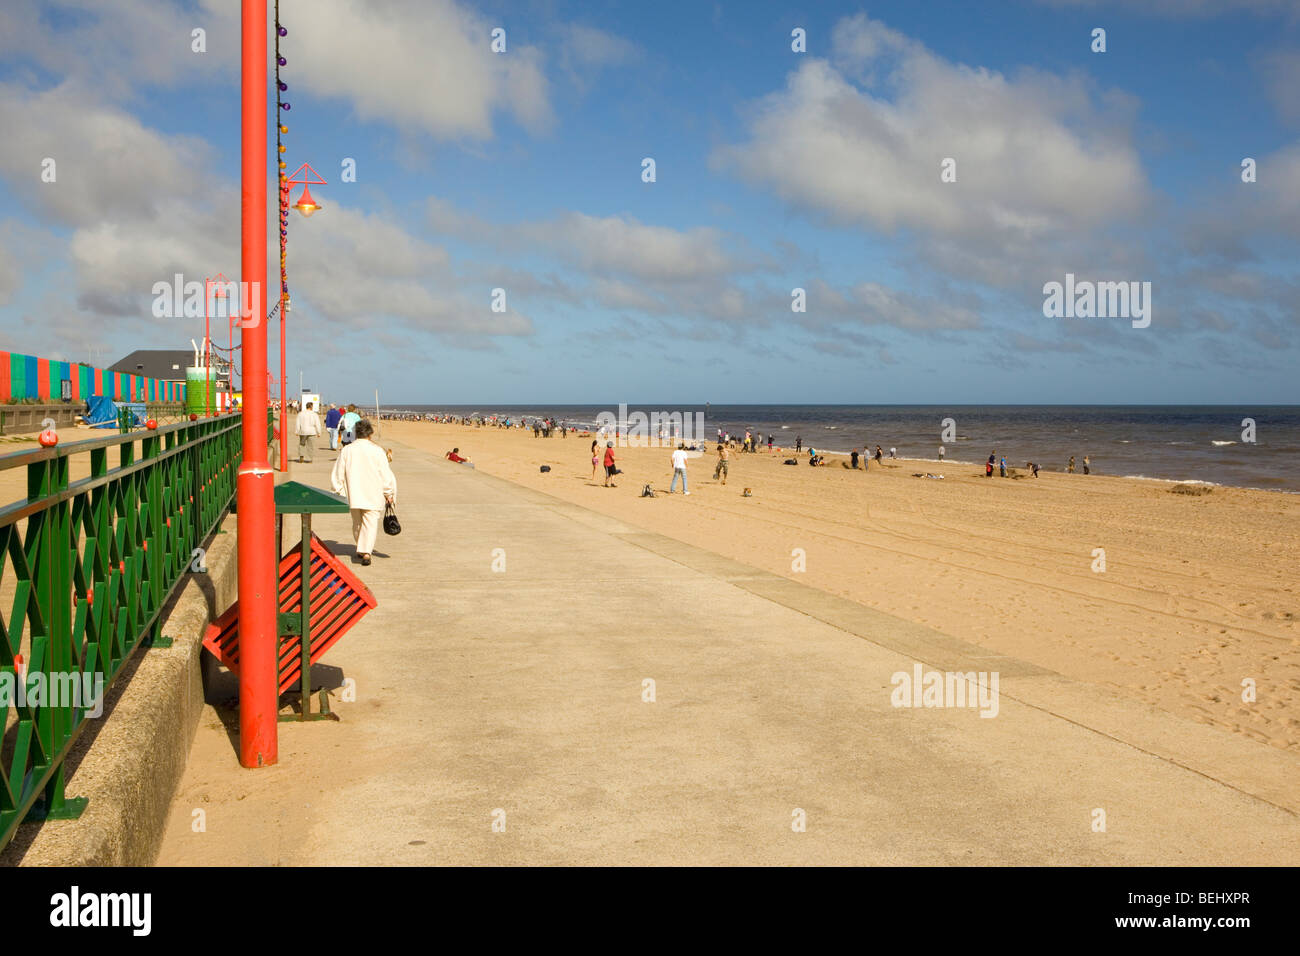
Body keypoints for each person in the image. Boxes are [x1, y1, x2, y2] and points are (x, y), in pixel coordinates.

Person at [330, 419, 396, 567]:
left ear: (355, 433)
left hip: (354, 493)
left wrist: (338, 490)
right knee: (370, 524)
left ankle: (362, 550)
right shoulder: (378, 451)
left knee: (357, 523)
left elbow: (338, 473)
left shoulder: (347, 450)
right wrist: (388, 493)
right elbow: (385, 474)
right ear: (370, 433)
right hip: (374, 493)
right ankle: (366, 551)